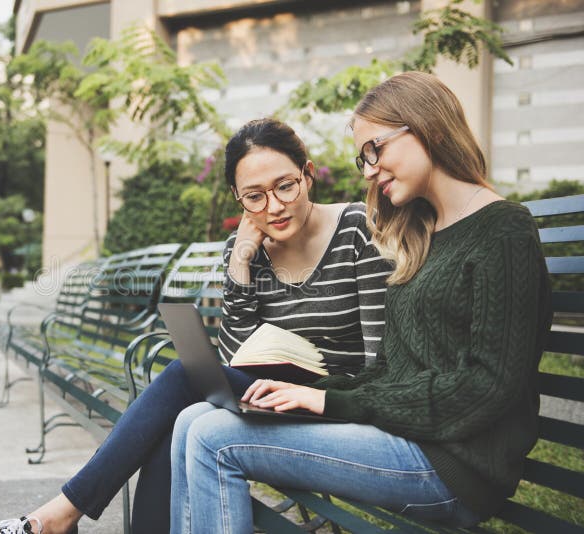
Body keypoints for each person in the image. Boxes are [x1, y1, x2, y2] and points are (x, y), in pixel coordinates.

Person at [169, 71, 553, 534]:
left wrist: (328, 401)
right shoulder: (421, 233)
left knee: (214, 438)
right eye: (363, 157)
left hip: (454, 465)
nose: (368, 169)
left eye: (376, 149)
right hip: (402, 436)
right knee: (192, 420)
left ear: (426, 127)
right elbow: (390, 369)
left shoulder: (503, 231)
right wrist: (315, 396)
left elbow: (487, 387)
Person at [0, 118, 392, 534]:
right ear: (238, 199)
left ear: (307, 175)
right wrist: (240, 266)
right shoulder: (245, 250)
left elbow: (377, 362)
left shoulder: (359, 230)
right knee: (185, 418)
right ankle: (65, 516)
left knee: (183, 378)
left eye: (285, 186)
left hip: (335, 405)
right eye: (254, 196)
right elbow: (238, 358)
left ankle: (62, 513)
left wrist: (314, 393)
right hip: (267, 395)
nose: (273, 206)